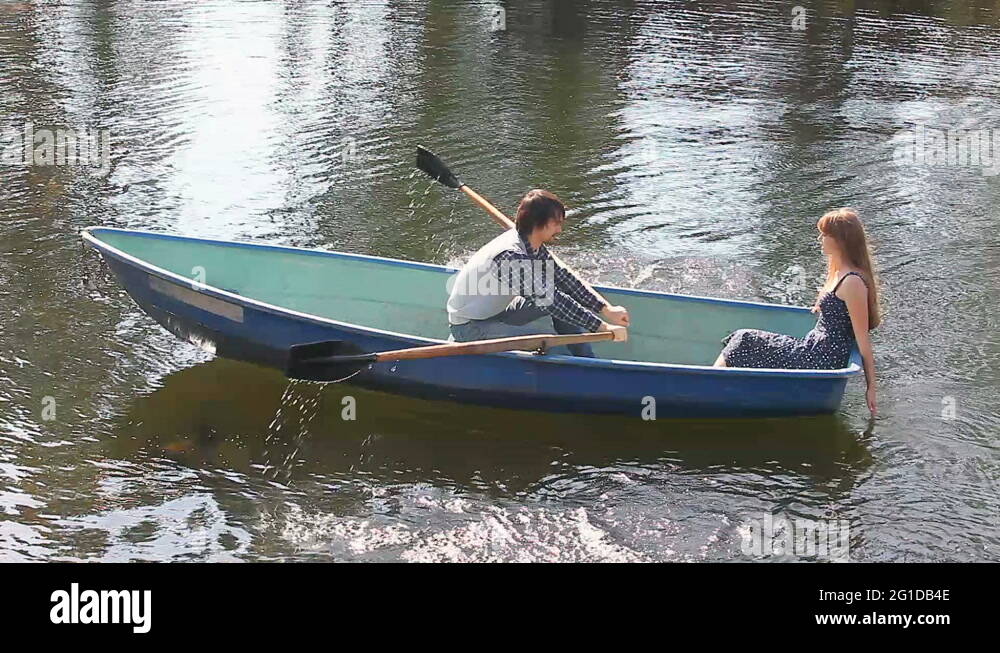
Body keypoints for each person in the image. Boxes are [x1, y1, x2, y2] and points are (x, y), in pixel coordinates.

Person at [714, 208, 881, 415]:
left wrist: (871, 387)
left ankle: (711, 389)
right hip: (812, 348)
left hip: (821, 359)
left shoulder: (853, 282)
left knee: (744, 339)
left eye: (825, 235)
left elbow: (863, 339)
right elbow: (836, 308)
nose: (820, 239)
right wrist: (823, 306)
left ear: (840, 240)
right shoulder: (839, 272)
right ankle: (720, 387)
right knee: (742, 338)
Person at [447, 189, 629, 356]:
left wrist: (606, 310)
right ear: (538, 224)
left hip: (500, 312)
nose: (560, 229)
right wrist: (601, 327)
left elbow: (564, 279)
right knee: (546, 341)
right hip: (470, 326)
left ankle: (588, 360)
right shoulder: (509, 257)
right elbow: (551, 301)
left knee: (560, 294)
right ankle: (572, 368)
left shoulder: (531, 244)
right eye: (556, 223)